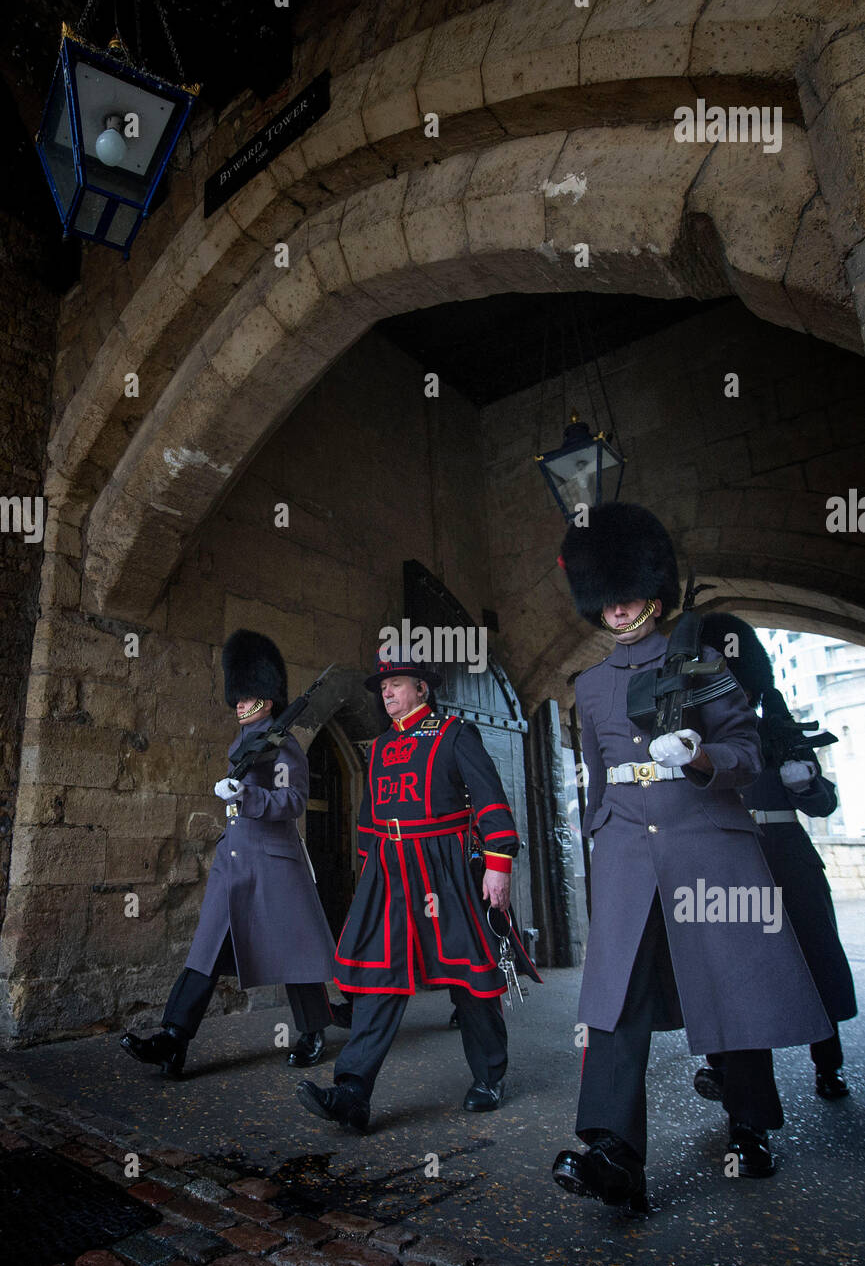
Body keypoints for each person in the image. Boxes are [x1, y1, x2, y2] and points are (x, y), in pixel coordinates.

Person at [551, 503, 832, 1210]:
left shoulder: (702, 666)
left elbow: (744, 749)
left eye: (627, 594)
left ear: (652, 594)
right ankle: (611, 1151)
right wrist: (602, 834)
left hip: (706, 841)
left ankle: (748, 1123)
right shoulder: (587, 685)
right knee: (614, 1000)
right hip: (625, 851)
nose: (615, 609)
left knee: (729, 987)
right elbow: (594, 771)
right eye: (605, 599)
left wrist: (700, 754)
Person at [295, 649, 539, 1132]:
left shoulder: (455, 734)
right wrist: (367, 874)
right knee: (377, 979)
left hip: (444, 866)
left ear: (422, 688)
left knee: (470, 977)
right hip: (390, 871)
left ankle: (490, 1076)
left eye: (396, 685)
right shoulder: (382, 746)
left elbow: (491, 799)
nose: (386, 694)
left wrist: (498, 865)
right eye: (383, 688)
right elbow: (369, 818)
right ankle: (352, 1092)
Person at [120, 629, 341, 1077]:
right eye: (236, 698)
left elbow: (294, 801)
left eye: (247, 697)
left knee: (295, 951)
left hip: (274, 862)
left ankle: (314, 1030)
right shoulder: (241, 743)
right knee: (204, 950)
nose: (238, 705)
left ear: (267, 698)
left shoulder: (284, 745)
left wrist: (248, 796)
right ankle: (174, 1039)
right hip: (235, 861)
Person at [693, 614, 856, 1103]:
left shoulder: (776, 732)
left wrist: (803, 779)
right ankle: (726, 1070)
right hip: (727, 861)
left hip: (786, 860)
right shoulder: (698, 740)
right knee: (730, 972)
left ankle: (828, 1064)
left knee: (813, 961)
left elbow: (822, 804)